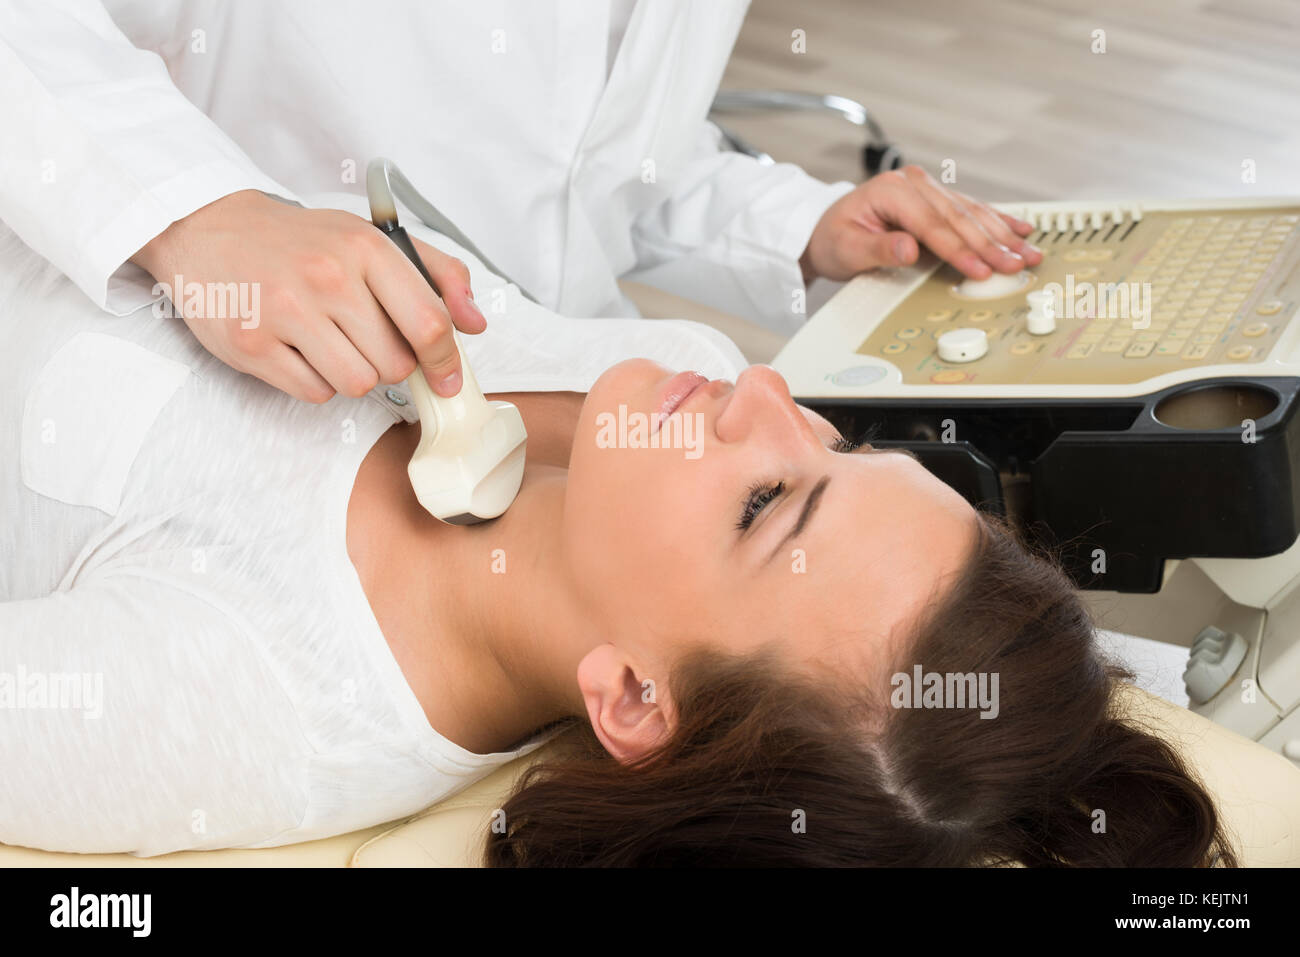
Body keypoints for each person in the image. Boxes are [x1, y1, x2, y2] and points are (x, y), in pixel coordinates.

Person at [0, 207, 1233, 866]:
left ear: (635, 698)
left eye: (765, 505)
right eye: (836, 444)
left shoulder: (244, 705)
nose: (762, 395)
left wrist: (172, 209)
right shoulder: (658, 376)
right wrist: (195, 211)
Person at [0, 0, 1041, 409]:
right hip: (265, 396)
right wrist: (203, 216)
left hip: (564, 387)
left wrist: (797, 228)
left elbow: (591, 168)